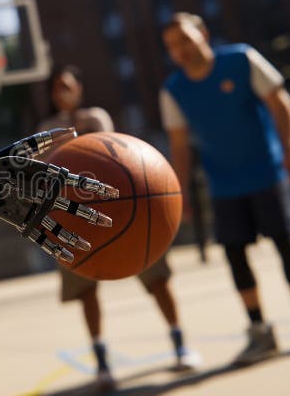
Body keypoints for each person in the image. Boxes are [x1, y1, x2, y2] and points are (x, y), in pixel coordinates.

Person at [159, 12, 290, 366]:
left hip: (267, 171)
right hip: (223, 184)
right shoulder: (174, 90)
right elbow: (179, 147)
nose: (181, 50)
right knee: (234, 254)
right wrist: (181, 194)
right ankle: (260, 332)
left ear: (203, 34)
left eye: (185, 40)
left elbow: (281, 103)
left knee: (285, 243)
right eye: (173, 46)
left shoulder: (241, 59)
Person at [39, 65, 200, 392]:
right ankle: (101, 361)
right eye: (57, 88)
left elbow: (106, 147)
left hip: (123, 208)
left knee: (157, 278)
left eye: (68, 85)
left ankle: (180, 341)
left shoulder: (94, 118)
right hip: (72, 217)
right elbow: (45, 171)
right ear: (51, 94)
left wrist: (74, 121)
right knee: (86, 291)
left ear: (80, 88)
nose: (63, 92)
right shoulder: (45, 129)